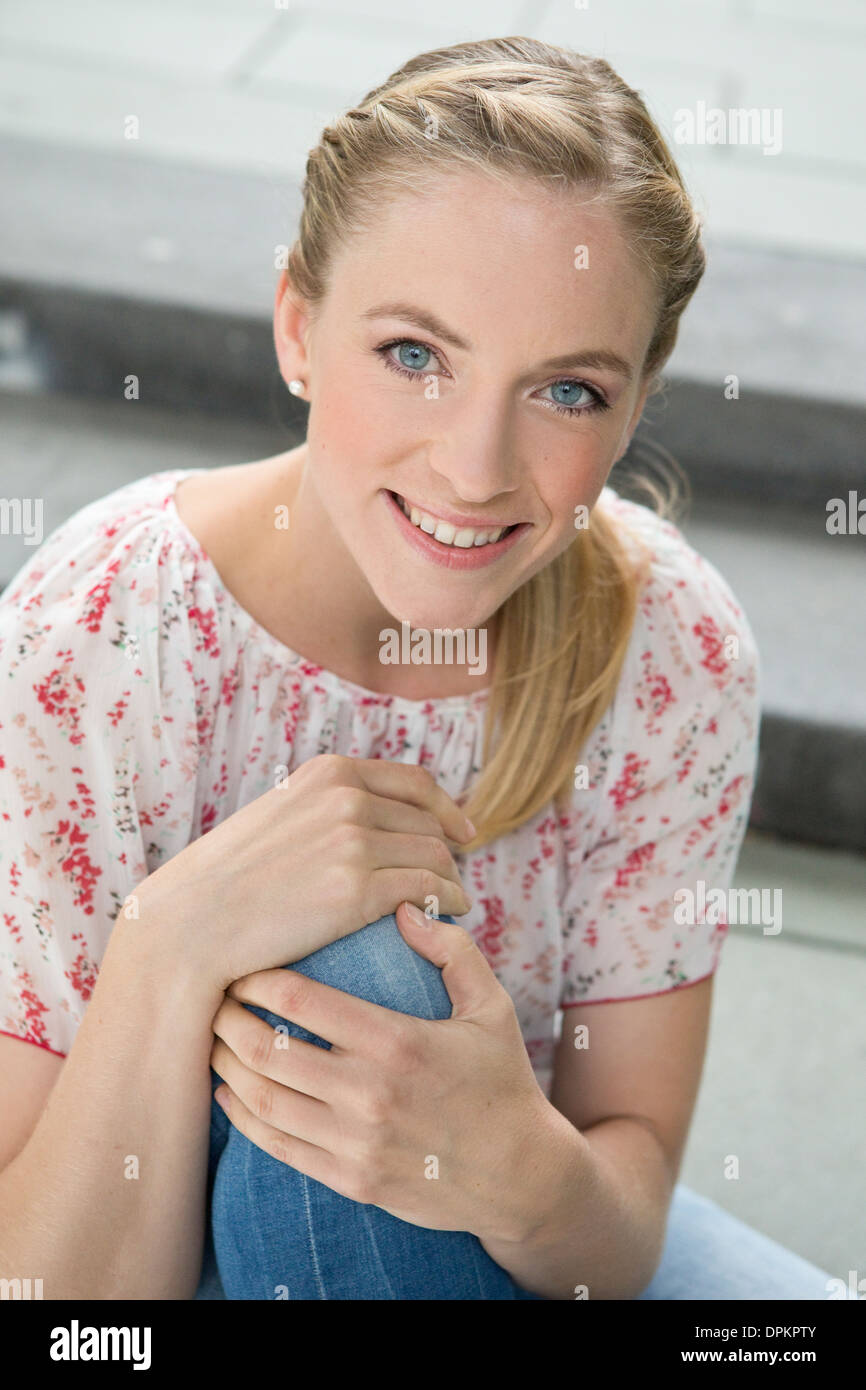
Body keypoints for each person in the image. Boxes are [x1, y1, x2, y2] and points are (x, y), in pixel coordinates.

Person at [0, 36, 842, 1300]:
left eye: (564, 390)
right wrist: (173, 942)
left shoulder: (670, 647)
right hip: (152, 1264)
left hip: (504, 1232)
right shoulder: (104, 635)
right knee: (355, 983)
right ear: (297, 325)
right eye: (412, 355)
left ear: (636, 399)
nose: (473, 468)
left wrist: (519, 1164)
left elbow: (615, 1234)